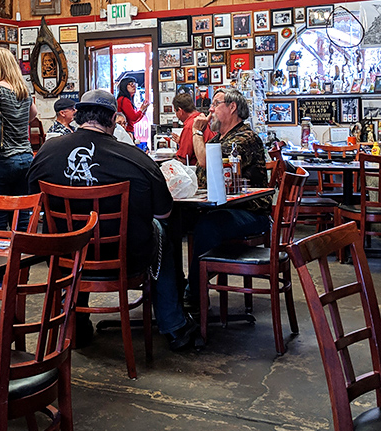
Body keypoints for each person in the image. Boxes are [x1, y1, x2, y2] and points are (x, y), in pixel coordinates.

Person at [28, 89, 198, 351]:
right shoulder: (135, 159)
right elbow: (164, 212)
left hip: (67, 256)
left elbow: (32, 202)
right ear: (113, 119)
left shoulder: (47, 154)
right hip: (127, 257)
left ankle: (75, 323)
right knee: (161, 229)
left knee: (79, 237)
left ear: (79, 116)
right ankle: (175, 326)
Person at [187, 87, 271, 309]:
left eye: (215, 104)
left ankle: (193, 295)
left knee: (208, 226)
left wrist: (196, 132)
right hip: (224, 207)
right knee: (173, 222)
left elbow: (205, 163)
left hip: (251, 213)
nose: (211, 110)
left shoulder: (244, 138)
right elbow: (203, 177)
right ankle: (178, 287)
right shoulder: (218, 137)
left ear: (232, 107)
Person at [0, 47, 39, 230]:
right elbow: (33, 115)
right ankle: (23, 254)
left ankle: (0, 258)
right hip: (25, 158)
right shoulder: (23, 90)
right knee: (21, 216)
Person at [170, 92, 208, 165]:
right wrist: (182, 142)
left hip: (196, 170)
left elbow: (183, 159)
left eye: (176, 112)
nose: (176, 115)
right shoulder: (204, 119)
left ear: (180, 111)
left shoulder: (189, 126)